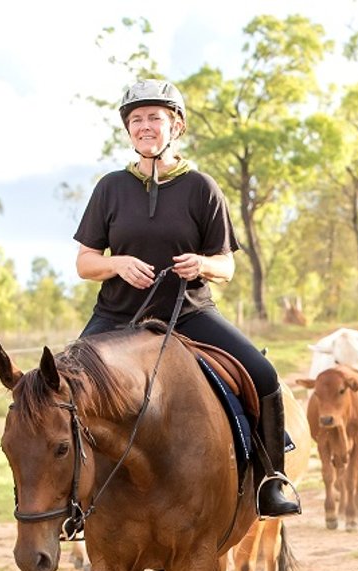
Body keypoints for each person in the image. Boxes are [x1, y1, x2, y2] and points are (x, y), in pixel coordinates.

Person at [72, 79, 300, 518]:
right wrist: (116, 264)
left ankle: (273, 479)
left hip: (189, 314)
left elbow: (227, 267)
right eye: (135, 120)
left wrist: (203, 264)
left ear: (176, 126)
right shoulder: (110, 188)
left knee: (262, 371)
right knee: (60, 386)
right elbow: (85, 263)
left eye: (154, 118)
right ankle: (74, 502)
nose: (144, 127)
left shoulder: (202, 188)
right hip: (119, 315)